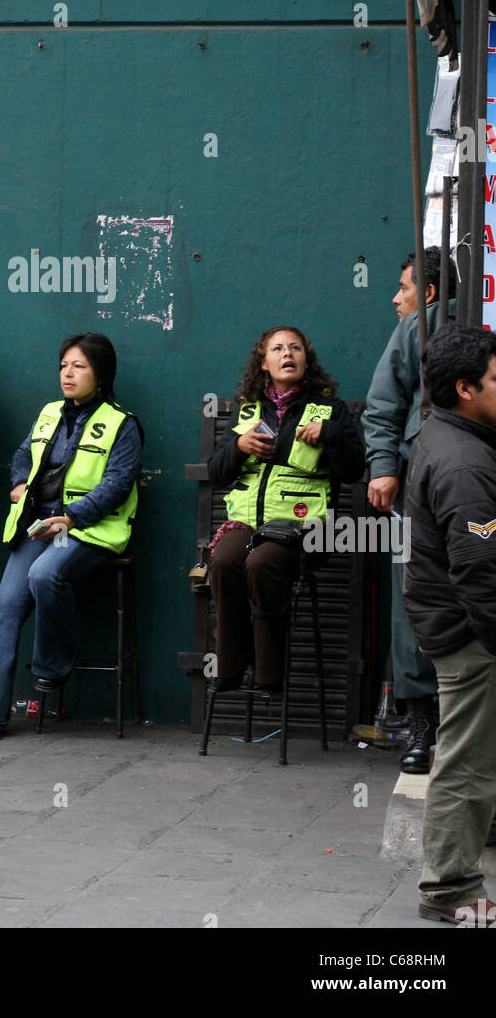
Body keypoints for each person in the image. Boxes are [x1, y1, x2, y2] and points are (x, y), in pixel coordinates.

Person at [0, 332, 143, 740]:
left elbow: (117, 484)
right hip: (37, 523)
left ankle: (51, 668)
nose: (68, 373)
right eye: (64, 365)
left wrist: (71, 518)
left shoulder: (123, 424)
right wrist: (17, 482)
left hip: (85, 528)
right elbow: (23, 455)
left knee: (45, 575)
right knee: (4, 609)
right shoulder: (48, 413)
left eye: (79, 366)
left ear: (101, 372)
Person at [206, 326, 365, 692]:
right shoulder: (247, 411)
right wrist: (239, 446)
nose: (287, 354)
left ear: (306, 360)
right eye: (277, 348)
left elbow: (354, 469)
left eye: (295, 348)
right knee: (225, 561)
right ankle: (229, 667)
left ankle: (268, 672)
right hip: (246, 524)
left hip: (305, 529)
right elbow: (218, 473)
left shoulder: (330, 409)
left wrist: (329, 436)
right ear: (264, 362)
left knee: (261, 564)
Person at [403, 325, 496, 924]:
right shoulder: (465, 464)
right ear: (466, 389)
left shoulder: (452, 434)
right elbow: (480, 574)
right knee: (465, 763)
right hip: (471, 636)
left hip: (459, 625)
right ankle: (451, 888)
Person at [363, 247, 457, 772]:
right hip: (418, 482)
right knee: (413, 600)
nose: (396, 298)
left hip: (467, 485)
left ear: (431, 291)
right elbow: (384, 405)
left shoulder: (441, 322)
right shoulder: (414, 330)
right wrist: (383, 466)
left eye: (404, 287)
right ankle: (420, 724)